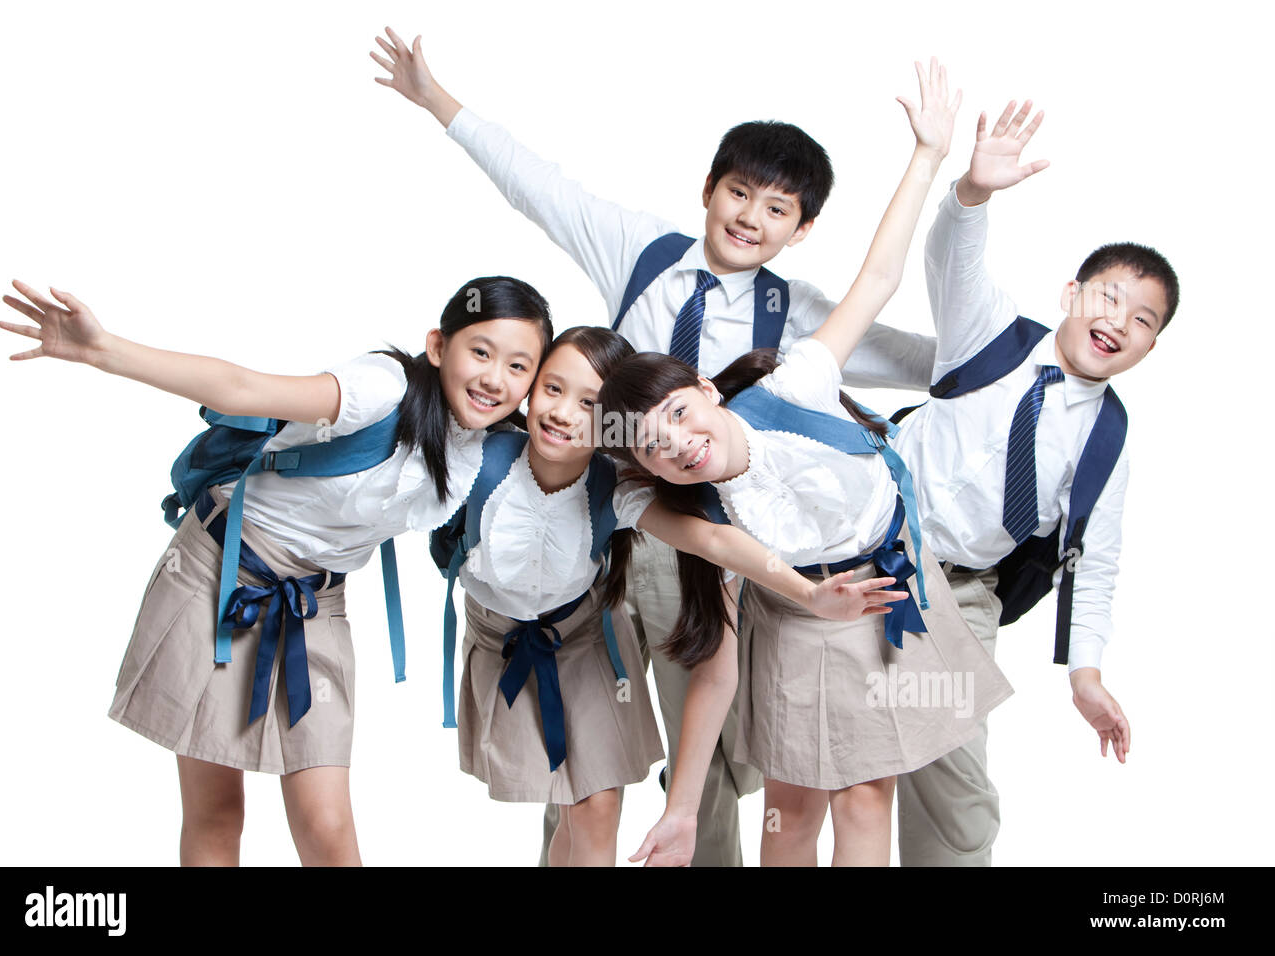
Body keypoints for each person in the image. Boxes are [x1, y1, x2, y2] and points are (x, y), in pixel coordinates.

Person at [371, 26, 939, 865]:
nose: (750, 218)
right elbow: (540, 186)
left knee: (693, 732)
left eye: (777, 208)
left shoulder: (800, 312)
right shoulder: (643, 253)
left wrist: (1030, 354)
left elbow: (915, 354)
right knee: (575, 728)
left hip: (698, 540)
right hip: (593, 512)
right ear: (708, 188)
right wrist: (437, 101)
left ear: (802, 228)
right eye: (739, 193)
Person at [599, 59, 1012, 866]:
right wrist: (808, 597)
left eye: (679, 414)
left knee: (869, 790)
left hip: (891, 581)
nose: (678, 443)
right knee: (793, 802)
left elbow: (879, 280)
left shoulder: (797, 381)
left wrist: (930, 157)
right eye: (655, 446)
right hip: (801, 608)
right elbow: (730, 554)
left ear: (704, 389)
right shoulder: (689, 507)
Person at [0, 274, 554, 865]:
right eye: (481, 352)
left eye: (520, 367)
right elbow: (241, 387)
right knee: (217, 811)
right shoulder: (380, 388)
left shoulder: (487, 442)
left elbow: (583, 444)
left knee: (328, 824)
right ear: (439, 346)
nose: (496, 378)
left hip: (316, 604)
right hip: (223, 576)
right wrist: (102, 349)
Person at [452, 326, 909, 865]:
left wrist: (808, 595)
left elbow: (715, 542)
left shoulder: (629, 488)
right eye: (552, 389)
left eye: (589, 405)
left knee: (597, 804)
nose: (564, 413)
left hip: (589, 642)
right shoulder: (480, 460)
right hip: (507, 637)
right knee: (573, 805)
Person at [891, 101, 1177, 866]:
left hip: (962, 595)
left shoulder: (1107, 438)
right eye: (1110, 296)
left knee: (955, 791)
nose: (1120, 320)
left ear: (1149, 347)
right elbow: (952, 261)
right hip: (856, 553)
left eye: (1144, 320)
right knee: (814, 769)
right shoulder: (987, 334)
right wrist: (972, 196)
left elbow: (1096, 561)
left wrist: (1086, 673)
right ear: (1072, 293)